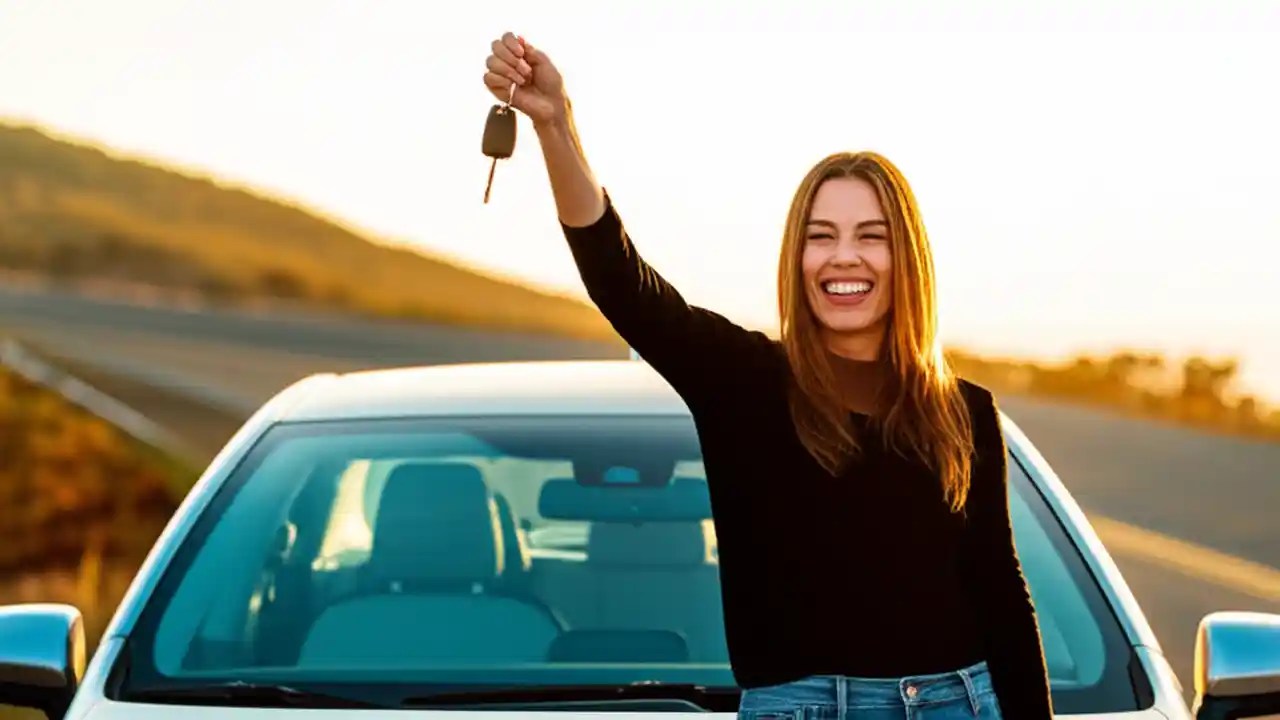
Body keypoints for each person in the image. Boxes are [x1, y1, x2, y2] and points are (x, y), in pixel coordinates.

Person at [482, 32, 1054, 720]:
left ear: (907, 259)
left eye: (871, 236)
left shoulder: (964, 410)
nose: (845, 258)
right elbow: (620, 279)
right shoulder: (744, 381)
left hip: (958, 705)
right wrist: (556, 125)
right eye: (822, 235)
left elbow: (1002, 593)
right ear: (797, 256)